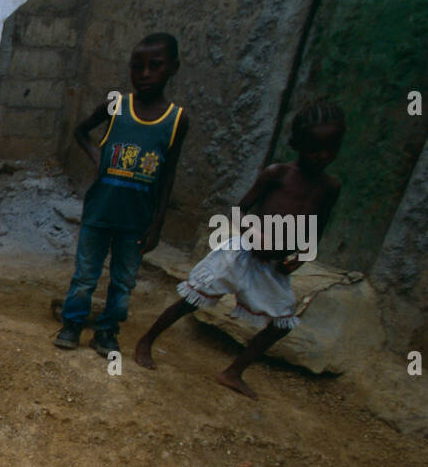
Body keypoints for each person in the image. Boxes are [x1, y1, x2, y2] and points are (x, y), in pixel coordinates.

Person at [134, 100, 345, 398]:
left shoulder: (329, 187)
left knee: (283, 322)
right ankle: (146, 340)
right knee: (193, 299)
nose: (323, 156)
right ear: (298, 144)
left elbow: (317, 228)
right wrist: (255, 234)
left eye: (331, 148)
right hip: (241, 253)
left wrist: (301, 256)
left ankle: (233, 371)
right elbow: (239, 210)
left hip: (274, 266)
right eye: (315, 149)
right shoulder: (278, 174)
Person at [54, 32, 191, 358]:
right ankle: (72, 324)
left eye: (154, 66)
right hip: (99, 213)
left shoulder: (176, 120)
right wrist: (97, 157)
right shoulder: (117, 105)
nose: (144, 74)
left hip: (136, 221)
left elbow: (168, 175)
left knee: (123, 282)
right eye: (137, 67)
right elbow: (80, 131)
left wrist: (157, 225)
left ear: (173, 68)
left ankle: (106, 331)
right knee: (85, 275)